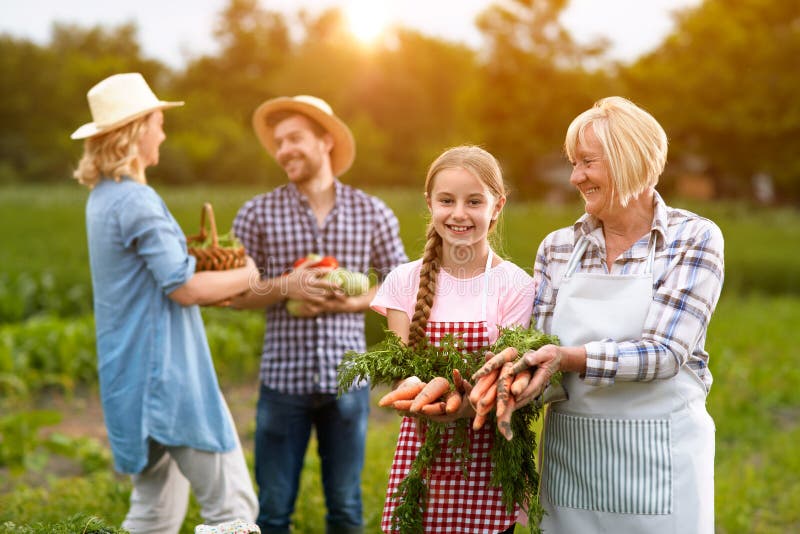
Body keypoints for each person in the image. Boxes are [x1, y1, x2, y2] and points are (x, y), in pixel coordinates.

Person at [513, 96, 724, 533]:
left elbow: (665, 352)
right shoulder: (557, 248)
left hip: (663, 464)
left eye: (587, 162)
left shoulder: (693, 238)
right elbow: (537, 350)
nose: (576, 177)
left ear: (628, 159)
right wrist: (497, 385)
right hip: (574, 467)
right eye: (574, 163)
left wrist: (569, 358)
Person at [71, 72, 259, 534]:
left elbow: (155, 282)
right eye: (158, 121)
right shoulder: (137, 201)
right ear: (136, 131)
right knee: (234, 512)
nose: (163, 132)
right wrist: (257, 273)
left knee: (154, 515)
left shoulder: (103, 199)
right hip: (169, 379)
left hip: (130, 378)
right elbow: (184, 287)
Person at [230, 95, 407, 534]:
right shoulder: (257, 212)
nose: (283, 149)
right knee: (271, 513)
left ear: (325, 140)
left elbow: (400, 282)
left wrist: (350, 302)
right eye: (278, 142)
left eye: (295, 138)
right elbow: (234, 293)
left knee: (346, 512)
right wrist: (286, 286)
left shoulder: (372, 212)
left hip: (347, 380)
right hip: (282, 380)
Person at [370, 145, 536, 534]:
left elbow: (505, 377)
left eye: (474, 201)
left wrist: (467, 405)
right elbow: (401, 370)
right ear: (429, 204)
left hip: (489, 460)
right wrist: (410, 392)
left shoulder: (515, 284)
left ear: (497, 207)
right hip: (421, 458)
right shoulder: (403, 281)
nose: (459, 213)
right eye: (447, 200)